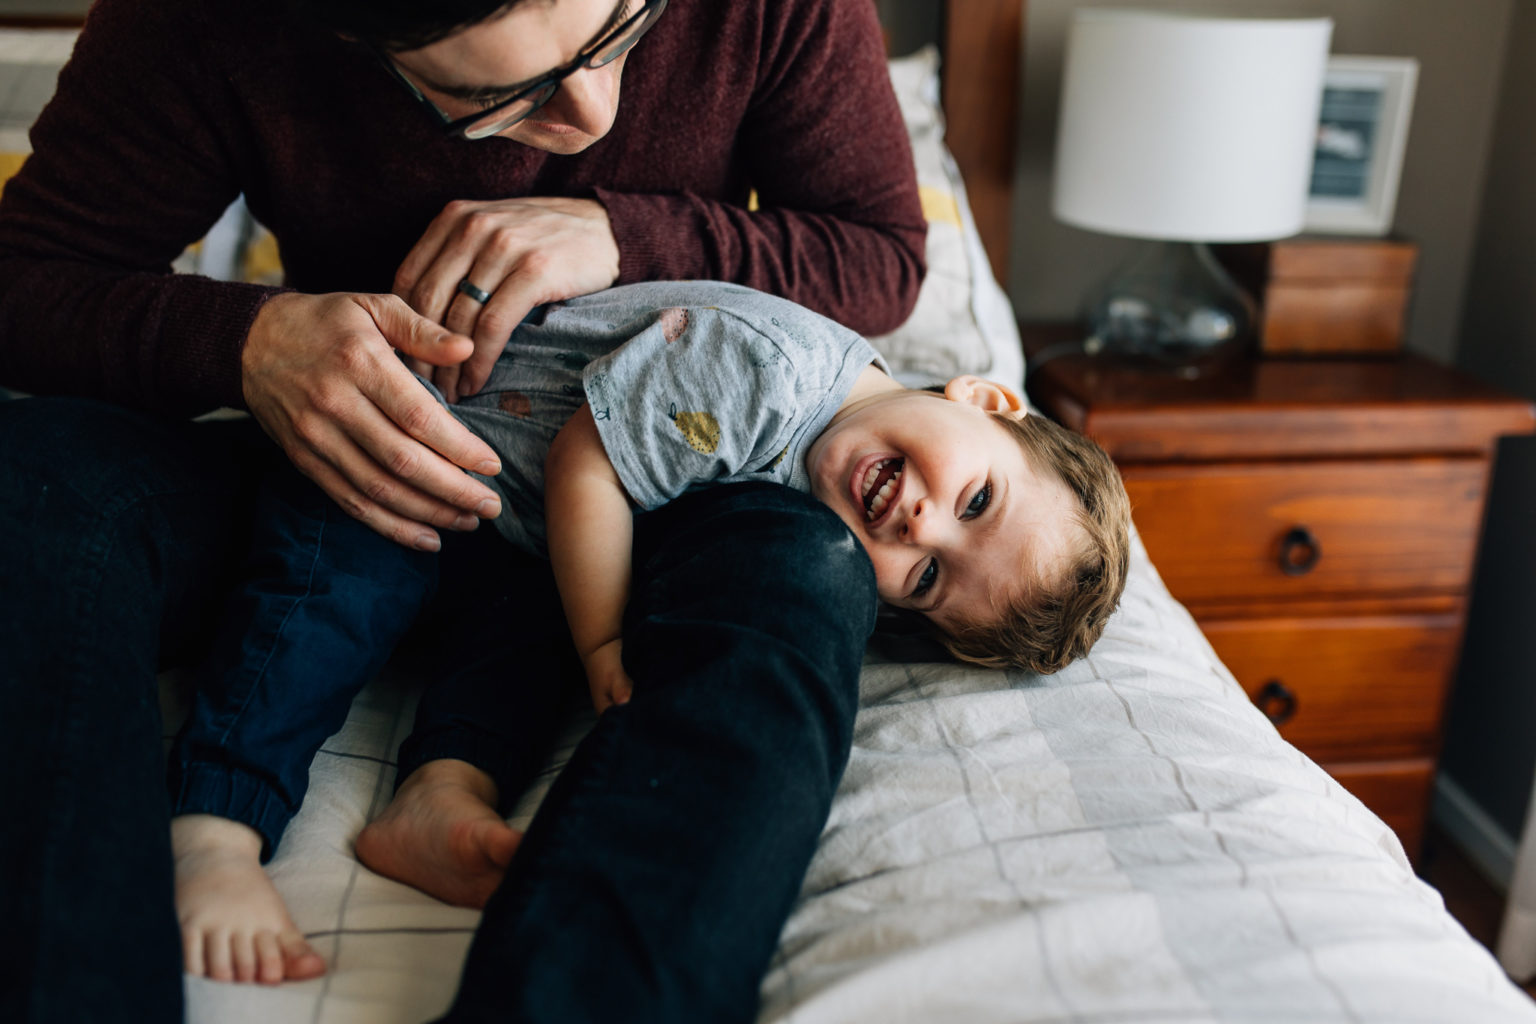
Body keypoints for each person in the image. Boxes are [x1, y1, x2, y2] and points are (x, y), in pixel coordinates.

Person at [0, 0, 930, 1020]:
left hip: (643, 495)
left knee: (804, 554)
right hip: (349, 465)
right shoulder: (203, 22)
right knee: (36, 472)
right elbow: (27, 282)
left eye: (621, 28)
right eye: (502, 100)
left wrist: (627, 234)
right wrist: (251, 343)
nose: (591, 113)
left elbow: (881, 255)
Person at [167, 278, 1132, 983]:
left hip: (497, 514)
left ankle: (438, 790)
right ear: (986, 399)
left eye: (927, 579)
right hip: (394, 441)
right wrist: (602, 643)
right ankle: (214, 830)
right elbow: (591, 469)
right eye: (977, 499)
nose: (922, 525)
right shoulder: (770, 372)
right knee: (323, 605)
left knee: (524, 636)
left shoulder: (844, 461)